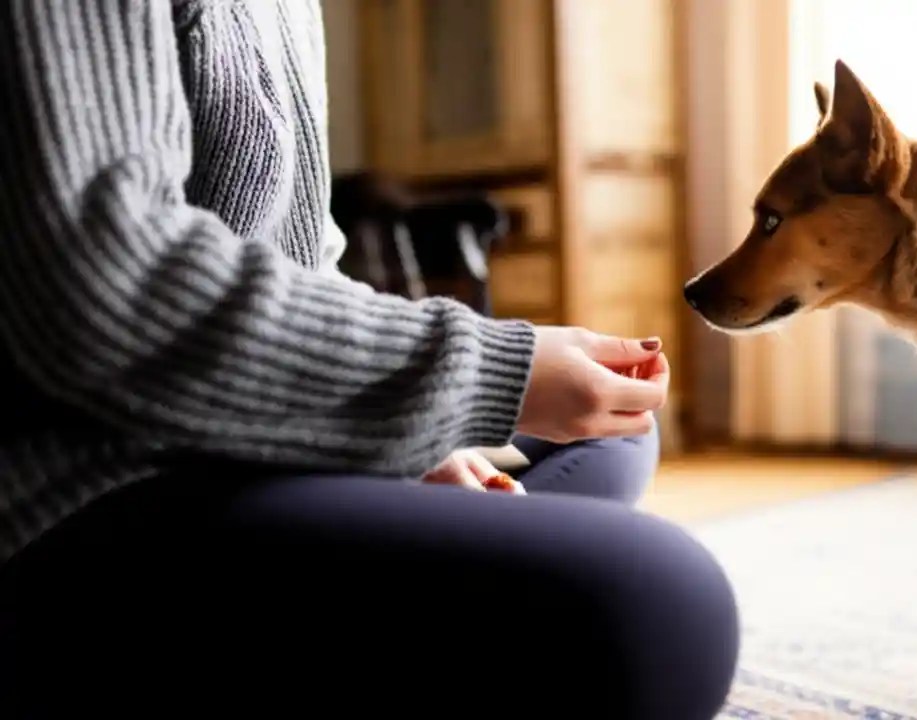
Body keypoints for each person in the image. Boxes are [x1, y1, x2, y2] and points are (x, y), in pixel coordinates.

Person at [0, 2, 739, 718]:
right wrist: (487, 374)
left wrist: (396, 440)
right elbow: (102, 294)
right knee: (664, 606)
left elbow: (307, 265)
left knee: (617, 428)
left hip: (237, 436)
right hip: (84, 480)